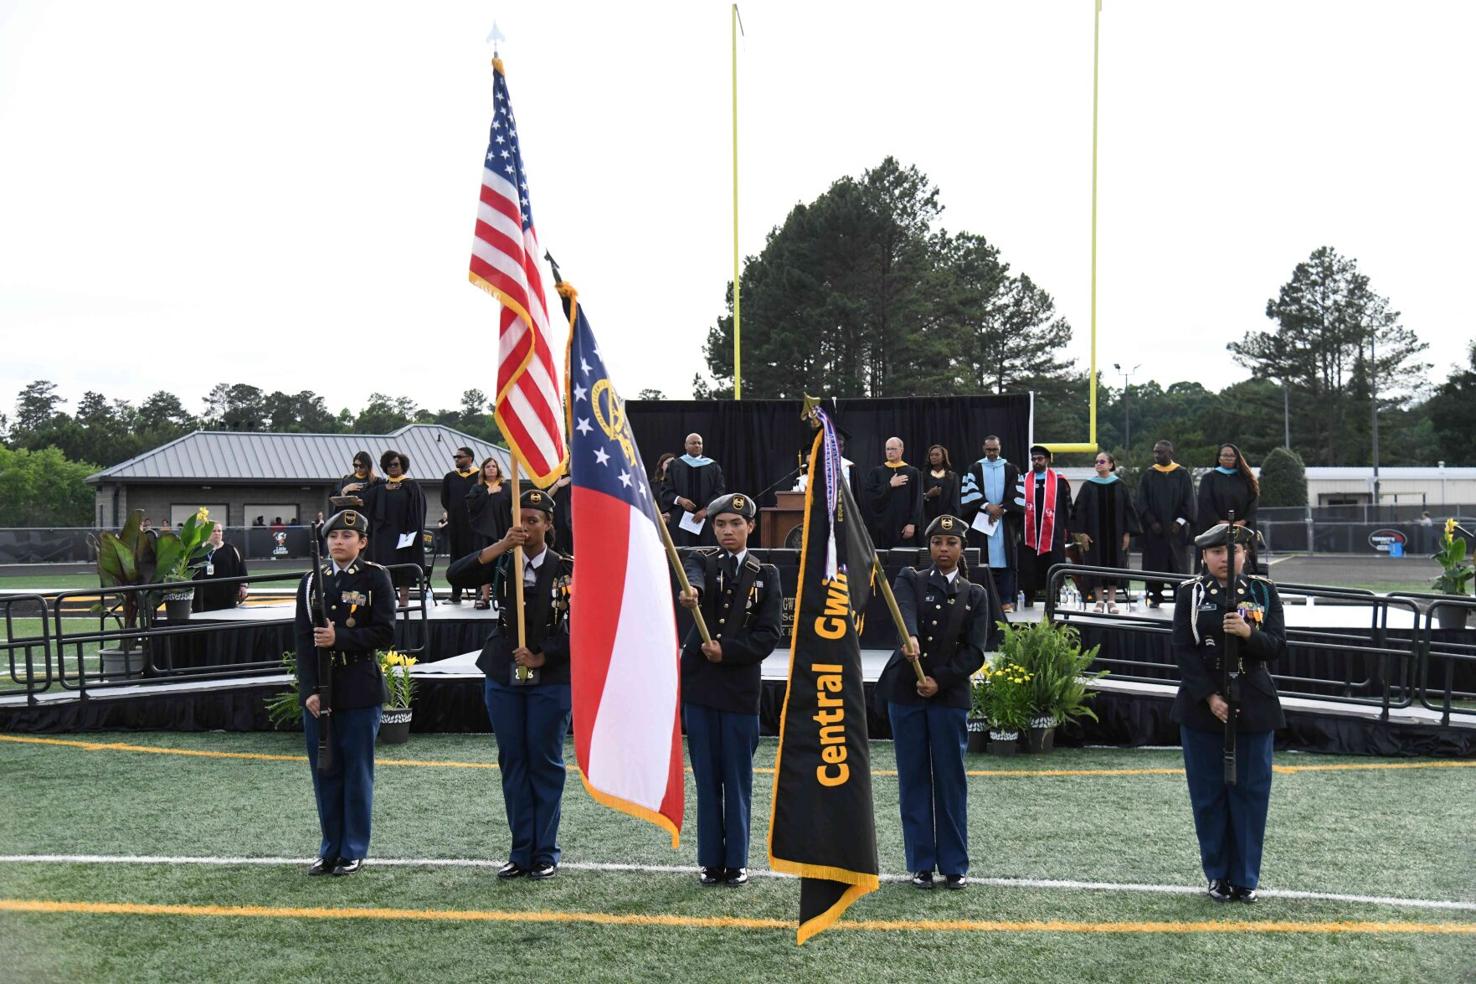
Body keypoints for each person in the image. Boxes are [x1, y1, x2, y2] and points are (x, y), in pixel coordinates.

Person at [447, 489, 573, 881]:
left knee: (545, 763)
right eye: (520, 519)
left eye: (534, 520)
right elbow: (456, 574)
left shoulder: (568, 568)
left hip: (550, 677)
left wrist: (543, 655)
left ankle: (545, 852)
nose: (526, 526)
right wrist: (502, 545)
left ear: (549, 525)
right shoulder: (503, 562)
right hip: (504, 673)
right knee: (513, 761)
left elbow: (587, 627)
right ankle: (520, 851)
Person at [1171, 522, 1284, 904]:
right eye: (1217, 552)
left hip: (1253, 704)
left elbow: (1277, 646)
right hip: (1202, 710)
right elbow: (1183, 651)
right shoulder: (1190, 593)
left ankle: (1245, 878)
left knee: (1251, 794)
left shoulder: (1262, 592)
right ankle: (1217, 874)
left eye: (1232, 551)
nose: (1225, 558)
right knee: (1208, 795)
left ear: (1245, 554)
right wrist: (1209, 697)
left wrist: (1248, 635)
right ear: (1204, 556)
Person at [875, 514, 989, 890]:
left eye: (951, 543)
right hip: (906, 694)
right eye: (938, 544)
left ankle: (955, 865)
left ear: (962, 548)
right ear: (929, 547)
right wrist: (910, 637)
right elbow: (902, 609)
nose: (944, 550)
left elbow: (975, 654)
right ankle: (921, 863)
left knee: (950, 780)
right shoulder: (911, 578)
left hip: (949, 697)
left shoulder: (975, 594)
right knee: (913, 779)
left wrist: (940, 681)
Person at [677, 493, 782, 887]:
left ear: (750, 527)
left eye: (735, 524)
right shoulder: (701, 561)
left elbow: (769, 634)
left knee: (737, 778)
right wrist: (694, 594)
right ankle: (710, 860)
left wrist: (729, 651)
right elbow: (693, 579)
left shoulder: (766, 573)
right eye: (720, 524)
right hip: (701, 688)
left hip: (739, 689)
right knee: (707, 776)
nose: (727, 531)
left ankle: (736, 860)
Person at [295, 507, 396, 877]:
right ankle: (330, 847)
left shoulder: (375, 579)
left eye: (347, 537)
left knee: (356, 771)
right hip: (321, 691)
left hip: (358, 687)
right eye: (333, 537)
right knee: (325, 770)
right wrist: (308, 690)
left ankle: (352, 848)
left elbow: (386, 632)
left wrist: (343, 638)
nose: (339, 542)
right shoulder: (310, 581)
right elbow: (303, 642)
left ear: (363, 542)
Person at [960, 435, 1022, 613]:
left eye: (995, 449)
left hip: (1004, 521)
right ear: (983, 449)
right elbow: (969, 492)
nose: (992, 453)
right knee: (983, 561)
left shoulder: (1011, 469)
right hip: (983, 522)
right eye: (988, 450)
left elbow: (1017, 494)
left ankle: (1006, 601)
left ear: (1000, 448)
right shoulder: (975, 468)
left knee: (1006, 562)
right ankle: (983, 600)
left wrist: (1001, 509)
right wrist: (988, 506)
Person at [1073, 452, 1140, 613]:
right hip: (1093, 536)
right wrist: (1081, 533)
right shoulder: (1088, 486)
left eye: (1102, 461)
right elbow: (1079, 511)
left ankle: (1111, 600)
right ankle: (1099, 601)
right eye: (1096, 462)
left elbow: (1128, 511)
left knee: (1114, 565)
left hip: (1116, 536)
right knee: (1095, 564)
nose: (1098, 464)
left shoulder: (1120, 485)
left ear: (1111, 464)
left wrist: (1127, 533)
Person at [1135, 440, 1196, 608]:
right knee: (1155, 563)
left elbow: (1189, 501)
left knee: (1177, 563)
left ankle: (1180, 595)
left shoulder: (1182, 474)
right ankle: (1155, 595)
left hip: (1177, 531)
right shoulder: (1149, 475)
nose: (1156, 455)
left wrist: (1179, 522)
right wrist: (1152, 521)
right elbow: (1141, 501)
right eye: (1155, 452)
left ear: (1170, 454)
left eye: (1160, 452)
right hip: (1154, 531)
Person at [367, 449, 427, 606]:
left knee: (403, 565)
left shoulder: (411, 485)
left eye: (396, 464)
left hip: (404, 533)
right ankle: (386, 598)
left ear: (403, 466)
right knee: (383, 565)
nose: (392, 467)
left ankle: (404, 598)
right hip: (383, 536)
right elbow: (366, 501)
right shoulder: (380, 487)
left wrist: (410, 532)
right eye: (389, 465)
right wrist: (383, 489)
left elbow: (417, 511)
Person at [1015, 445, 1072, 607]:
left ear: (1047, 460)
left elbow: (1067, 506)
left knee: (1053, 562)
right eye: (1033, 459)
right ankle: (1029, 596)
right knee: (1028, 564)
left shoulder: (1059, 481)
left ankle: (1053, 596)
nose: (1036, 462)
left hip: (1053, 531)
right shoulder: (1024, 480)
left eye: (1039, 459)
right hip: (1029, 531)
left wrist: (1068, 529)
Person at [1198, 443, 1260, 572]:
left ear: (1237, 458)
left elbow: (1253, 502)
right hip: (1215, 528)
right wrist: (1219, 522)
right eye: (1225, 455)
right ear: (1219, 458)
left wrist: (1242, 522)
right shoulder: (1209, 479)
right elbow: (1205, 502)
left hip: (1242, 527)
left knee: (1242, 560)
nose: (1228, 458)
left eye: (1232, 455)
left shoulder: (1247, 479)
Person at [465, 456, 513, 610]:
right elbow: (472, 506)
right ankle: (485, 597)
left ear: (498, 469)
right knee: (485, 563)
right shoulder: (477, 488)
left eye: (493, 466)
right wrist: (488, 492)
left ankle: (504, 598)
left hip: (503, 531)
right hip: (484, 532)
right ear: (483, 470)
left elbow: (513, 507)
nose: (491, 468)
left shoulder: (506, 487)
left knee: (504, 564)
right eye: (488, 466)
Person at [666, 434, 726, 546]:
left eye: (699, 443)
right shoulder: (675, 465)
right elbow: (666, 490)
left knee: (705, 552)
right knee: (682, 552)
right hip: (681, 519)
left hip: (705, 520)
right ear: (685, 445)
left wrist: (706, 510)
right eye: (693, 443)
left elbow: (719, 491)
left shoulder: (712, 466)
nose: (697, 445)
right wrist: (680, 500)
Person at [865, 437, 923, 549]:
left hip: (904, 527)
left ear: (901, 450)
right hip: (881, 527)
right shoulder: (877, 472)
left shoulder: (913, 472)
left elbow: (917, 500)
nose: (890, 452)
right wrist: (890, 485)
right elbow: (869, 497)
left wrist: (913, 523)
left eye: (893, 449)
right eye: (887, 449)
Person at [440, 447, 481, 604]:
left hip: (474, 525)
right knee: (456, 559)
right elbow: (445, 500)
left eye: (460, 457)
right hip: (456, 525)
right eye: (455, 457)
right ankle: (455, 594)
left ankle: (479, 594)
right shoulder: (450, 477)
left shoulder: (479, 476)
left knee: (477, 558)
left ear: (470, 458)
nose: (456, 459)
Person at [194, 522, 249, 611]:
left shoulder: (231, 550)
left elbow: (242, 569)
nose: (217, 533)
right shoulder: (198, 551)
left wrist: (243, 586)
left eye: (219, 531)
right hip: (203, 599)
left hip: (227, 598)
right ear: (207, 533)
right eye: (214, 531)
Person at [921, 445, 962, 528]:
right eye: (931, 455)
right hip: (926, 520)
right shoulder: (922, 476)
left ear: (943, 457)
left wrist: (950, 518)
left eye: (937, 455)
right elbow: (916, 500)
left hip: (947, 520)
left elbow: (955, 501)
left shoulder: (952, 477)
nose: (933, 457)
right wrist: (928, 495)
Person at [652, 452, 677, 528]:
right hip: (656, 521)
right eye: (668, 463)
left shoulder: (681, 483)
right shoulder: (653, 484)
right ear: (661, 466)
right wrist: (659, 516)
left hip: (675, 522)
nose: (671, 466)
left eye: (673, 463)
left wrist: (671, 515)